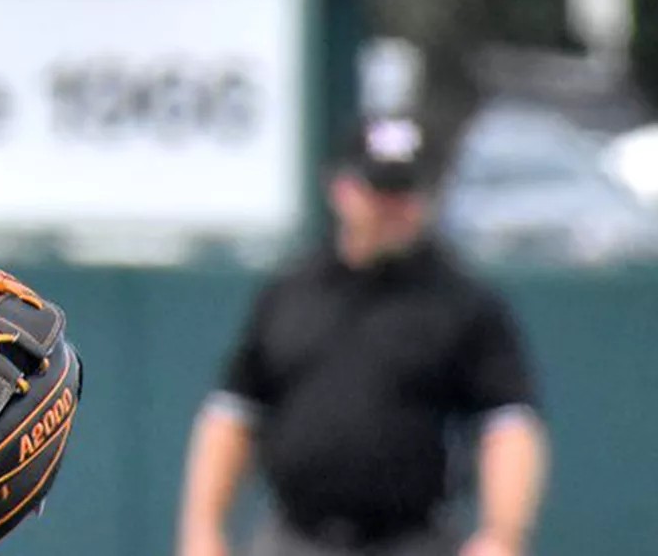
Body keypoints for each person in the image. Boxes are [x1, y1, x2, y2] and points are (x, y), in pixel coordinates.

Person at [175, 117, 548, 556]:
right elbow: (232, 415)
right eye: (381, 191)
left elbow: (508, 424)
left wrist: (502, 536)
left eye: (405, 192)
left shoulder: (462, 300)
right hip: (296, 537)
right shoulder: (292, 291)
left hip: (412, 539)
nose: (394, 207)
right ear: (342, 189)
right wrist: (203, 531)